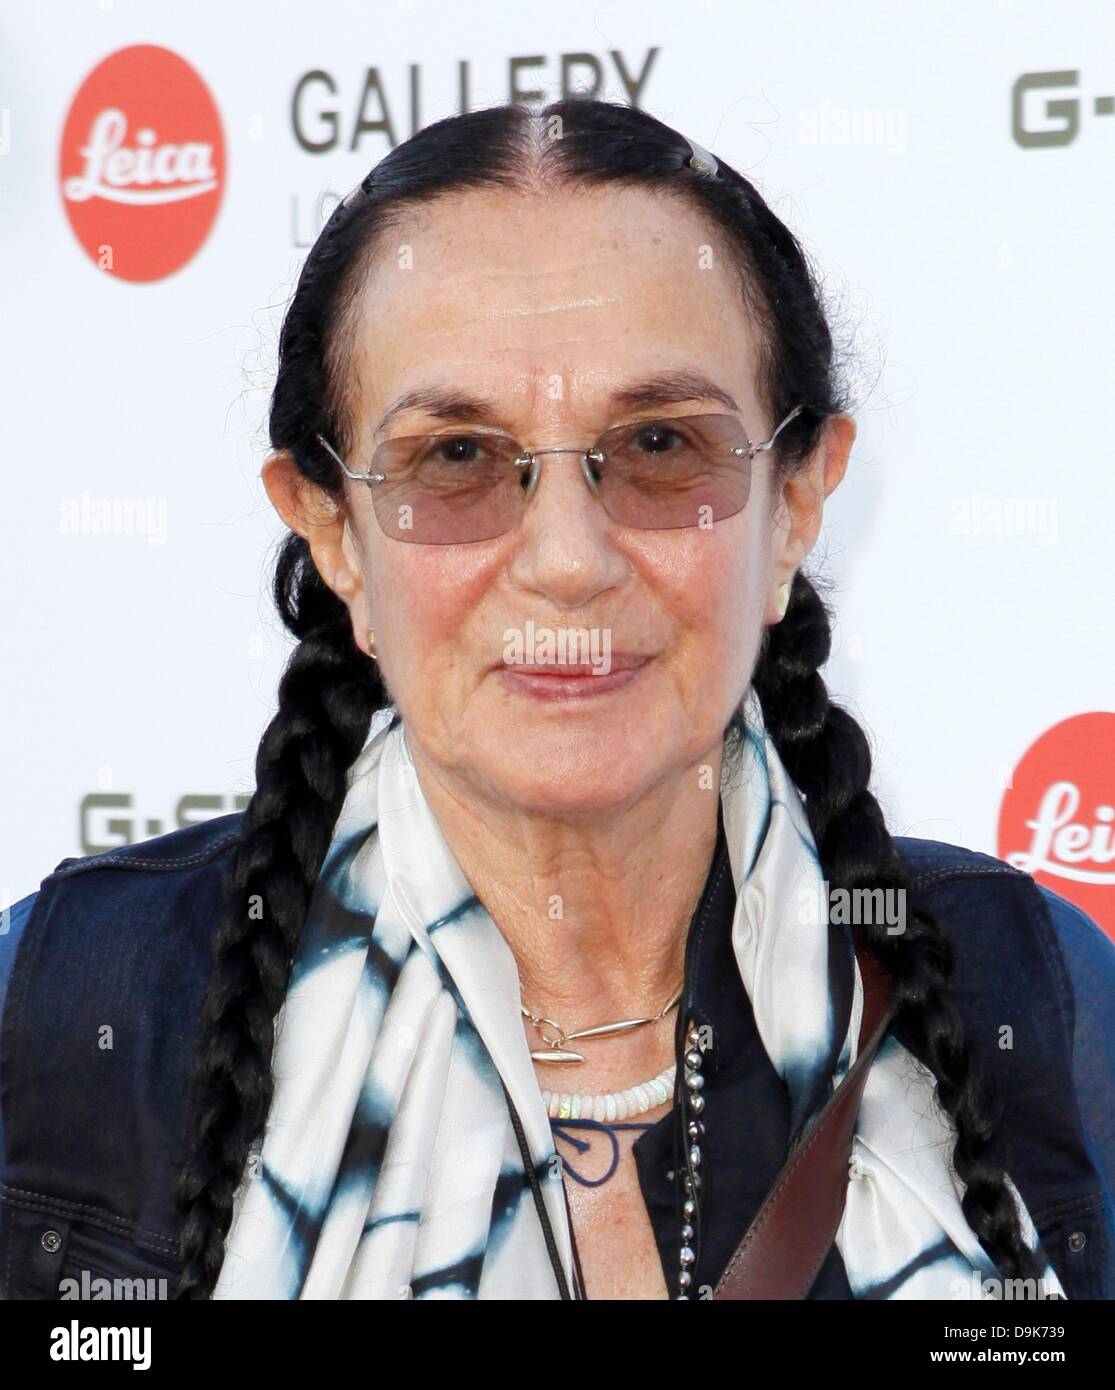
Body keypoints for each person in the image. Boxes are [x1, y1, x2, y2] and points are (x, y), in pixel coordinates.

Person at [2, 97, 1113, 1303]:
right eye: (458, 458)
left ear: (795, 504)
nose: (567, 558)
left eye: (656, 447)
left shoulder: (1037, 995)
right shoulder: (71, 1005)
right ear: (334, 530)